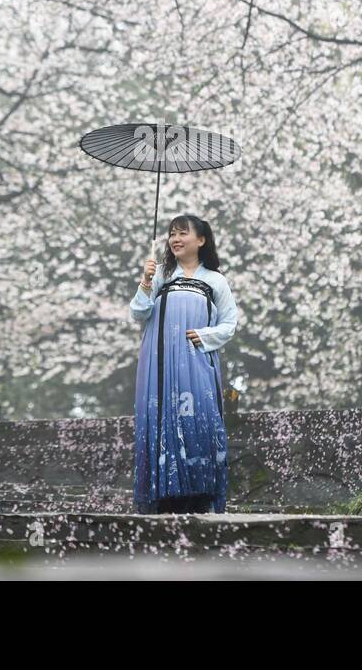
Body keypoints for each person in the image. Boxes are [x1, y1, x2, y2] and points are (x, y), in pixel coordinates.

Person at [129, 213, 238, 514]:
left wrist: (204, 336)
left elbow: (229, 324)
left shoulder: (215, 281)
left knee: (199, 419)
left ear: (201, 240)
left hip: (196, 362)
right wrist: (147, 281)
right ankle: (163, 494)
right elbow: (139, 313)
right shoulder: (162, 275)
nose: (175, 239)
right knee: (163, 418)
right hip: (161, 365)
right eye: (172, 234)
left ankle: (199, 493)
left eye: (182, 233)